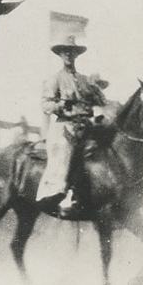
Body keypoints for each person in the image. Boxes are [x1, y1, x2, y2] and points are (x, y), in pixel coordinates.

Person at [35, 34, 108, 215]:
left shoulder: (84, 80)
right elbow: (45, 105)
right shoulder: (55, 79)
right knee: (66, 153)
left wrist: (96, 92)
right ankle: (63, 196)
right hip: (65, 126)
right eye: (65, 52)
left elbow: (99, 101)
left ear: (76, 55)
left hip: (87, 125)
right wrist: (61, 105)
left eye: (72, 52)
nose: (69, 55)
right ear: (60, 55)